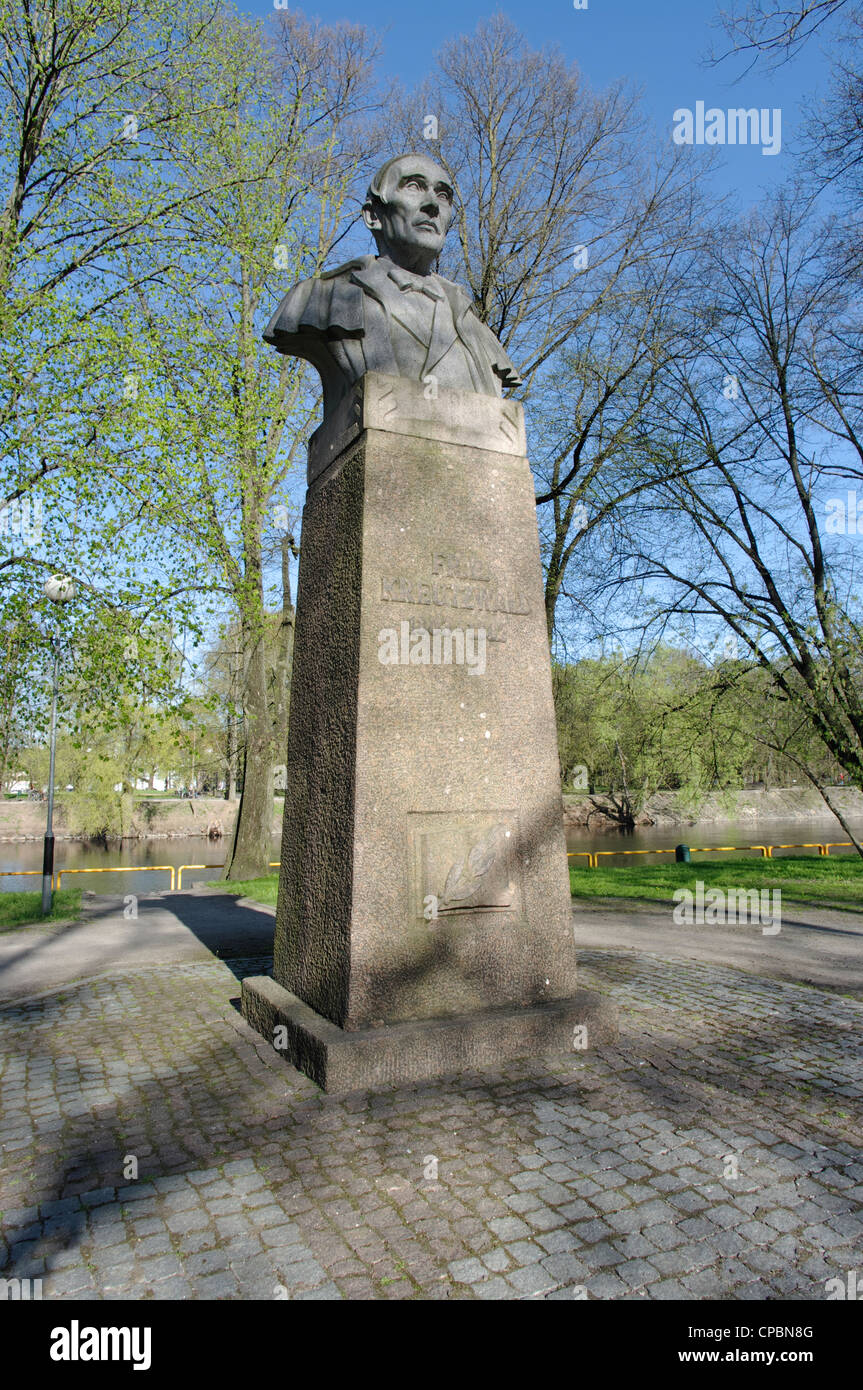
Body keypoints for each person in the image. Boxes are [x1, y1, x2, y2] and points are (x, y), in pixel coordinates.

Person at [263, 153, 521, 419]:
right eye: (414, 187)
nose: (433, 205)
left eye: (443, 195)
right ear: (373, 215)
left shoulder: (472, 325)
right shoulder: (322, 299)